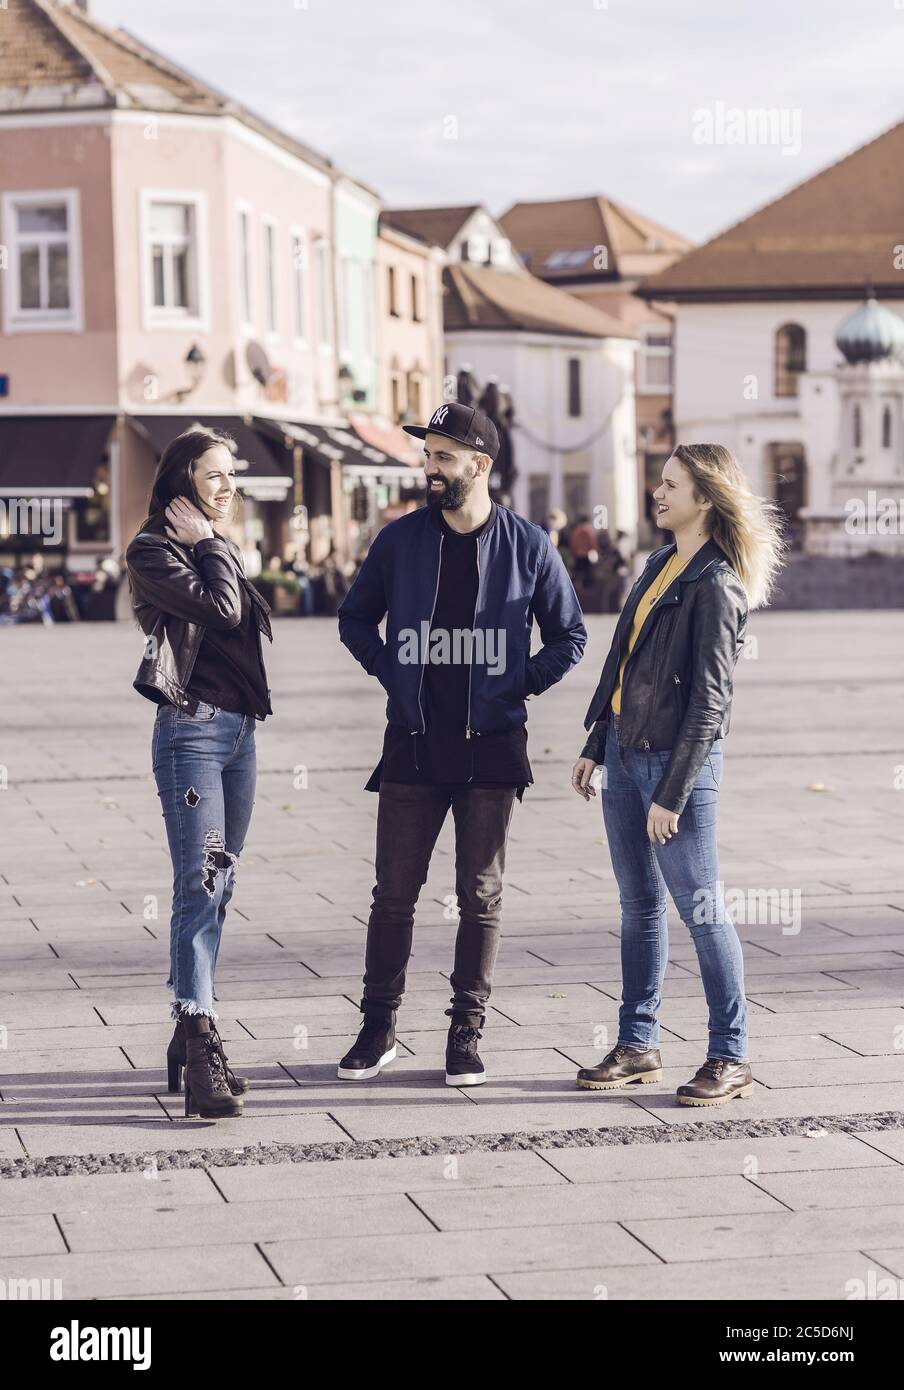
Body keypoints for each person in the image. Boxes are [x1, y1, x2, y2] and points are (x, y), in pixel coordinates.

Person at [337, 402, 587, 1086]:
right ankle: (378, 1026)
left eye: (443, 457)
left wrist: (516, 686)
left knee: (480, 896)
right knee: (393, 893)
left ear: (480, 465)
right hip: (413, 745)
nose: (430, 467)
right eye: (428, 455)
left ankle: (465, 1032)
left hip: (491, 750)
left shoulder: (528, 545)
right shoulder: (400, 541)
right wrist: (389, 669)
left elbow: (571, 635)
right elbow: (354, 618)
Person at [571, 444, 786, 1106]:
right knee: (638, 905)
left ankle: (732, 1056)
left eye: (670, 485)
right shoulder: (664, 563)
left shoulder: (717, 586)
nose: (657, 493)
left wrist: (672, 792)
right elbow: (626, 661)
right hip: (626, 758)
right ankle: (638, 1045)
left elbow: (711, 703)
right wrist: (596, 739)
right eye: (659, 482)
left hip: (674, 767)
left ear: (704, 498)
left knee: (700, 907)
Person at [126, 427, 274, 1121]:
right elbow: (225, 609)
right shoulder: (153, 549)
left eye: (230, 476)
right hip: (192, 730)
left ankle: (189, 1033)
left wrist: (216, 545)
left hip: (238, 732)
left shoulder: (210, 543)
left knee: (221, 883)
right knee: (200, 882)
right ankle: (200, 1038)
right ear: (181, 478)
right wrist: (214, 546)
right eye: (213, 475)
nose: (227, 487)